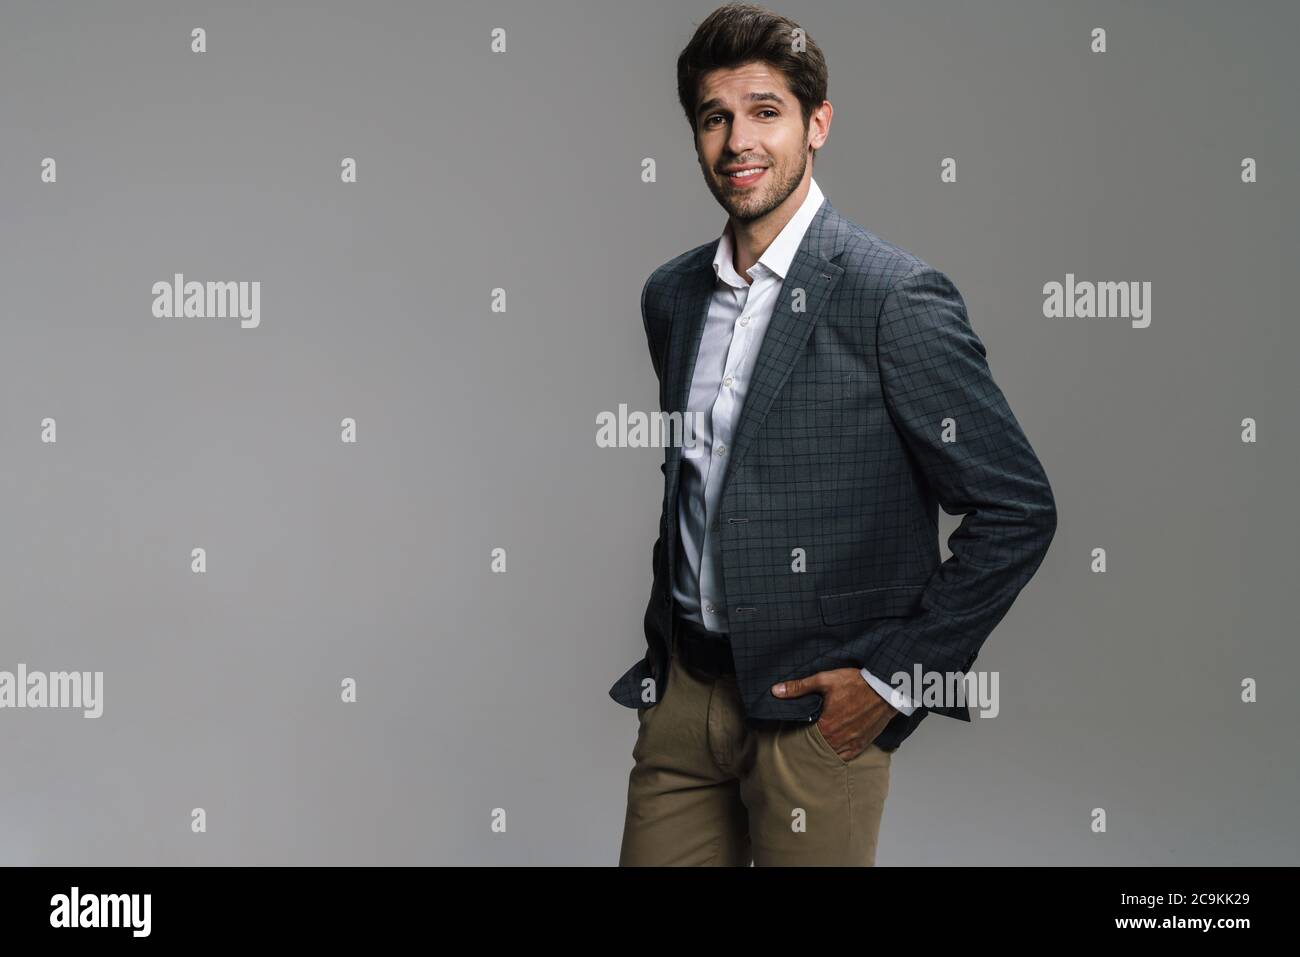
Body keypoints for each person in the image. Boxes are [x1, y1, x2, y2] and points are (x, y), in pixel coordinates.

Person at [611, 3, 1057, 866]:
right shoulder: (671, 296)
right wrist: (666, 666)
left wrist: (895, 680)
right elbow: (698, 485)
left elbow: (1017, 508)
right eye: (716, 118)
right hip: (686, 701)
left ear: (817, 124)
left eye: (765, 112)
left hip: (818, 722)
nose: (738, 140)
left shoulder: (893, 297)